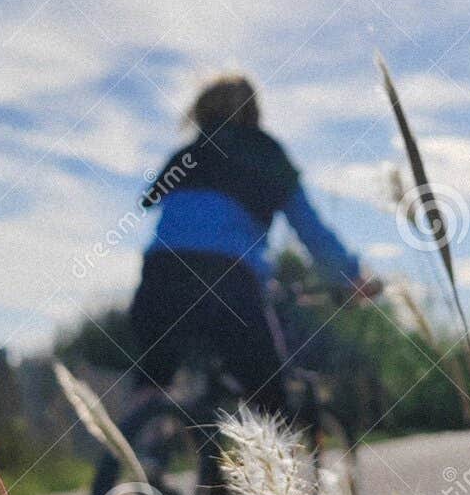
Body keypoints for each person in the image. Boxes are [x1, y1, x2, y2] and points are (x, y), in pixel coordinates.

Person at [131, 74, 378, 414]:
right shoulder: (266, 154)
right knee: (268, 402)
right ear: (254, 112)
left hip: (161, 277)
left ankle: (141, 448)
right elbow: (310, 230)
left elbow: (150, 200)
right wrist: (349, 276)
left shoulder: (187, 155)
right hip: (228, 280)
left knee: (152, 383)